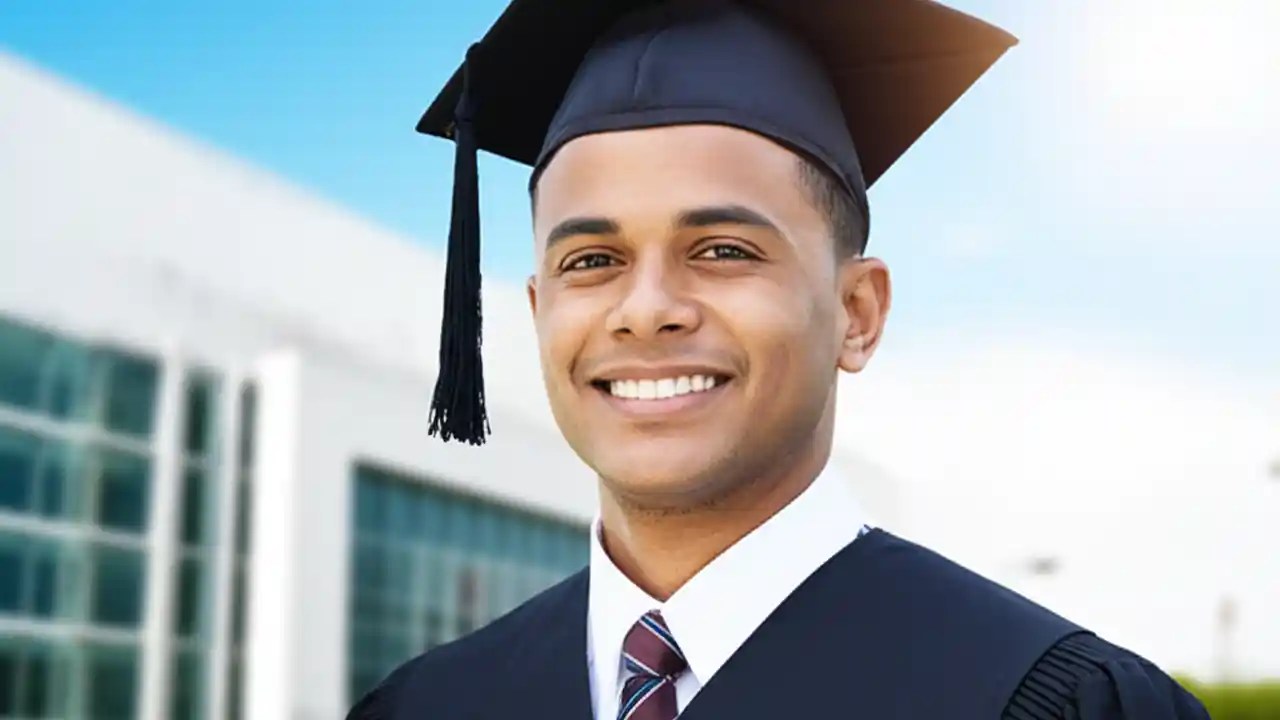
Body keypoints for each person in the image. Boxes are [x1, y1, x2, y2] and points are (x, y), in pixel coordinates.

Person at [349, 0, 1210, 717]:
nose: (646, 309)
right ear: (539, 314)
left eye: (723, 250)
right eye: (592, 262)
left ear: (857, 314)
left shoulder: (1056, 702)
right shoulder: (429, 704)